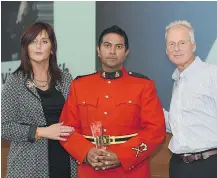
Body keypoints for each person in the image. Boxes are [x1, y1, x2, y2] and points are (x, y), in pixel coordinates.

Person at [59, 25, 166, 178]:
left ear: (126, 52)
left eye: (119, 46)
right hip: (91, 169)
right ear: (98, 50)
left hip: (131, 171)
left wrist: (122, 155)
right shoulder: (79, 85)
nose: (112, 51)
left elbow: (155, 131)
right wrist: (86, 152)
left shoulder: (143, 85)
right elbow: (67, 129)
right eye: (107, 45)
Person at [1, 22, 77, 178]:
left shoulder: (66, 79)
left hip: (66, 163)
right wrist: (43, 132)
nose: (38, 46)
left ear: (52, 48)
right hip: (28, 166)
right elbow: (4, 127)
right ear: (26, 48)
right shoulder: (15, 82)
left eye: (44, 41)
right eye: (33, 41)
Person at [164, 20, 217, 178]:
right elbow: (179, 126)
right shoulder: (178, 80)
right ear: (166, 50)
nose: (177, 48)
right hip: (179, 166)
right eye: (171, 44)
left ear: (193, 45)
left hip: (209, 165)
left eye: (182, 42)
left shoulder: (212, 74)